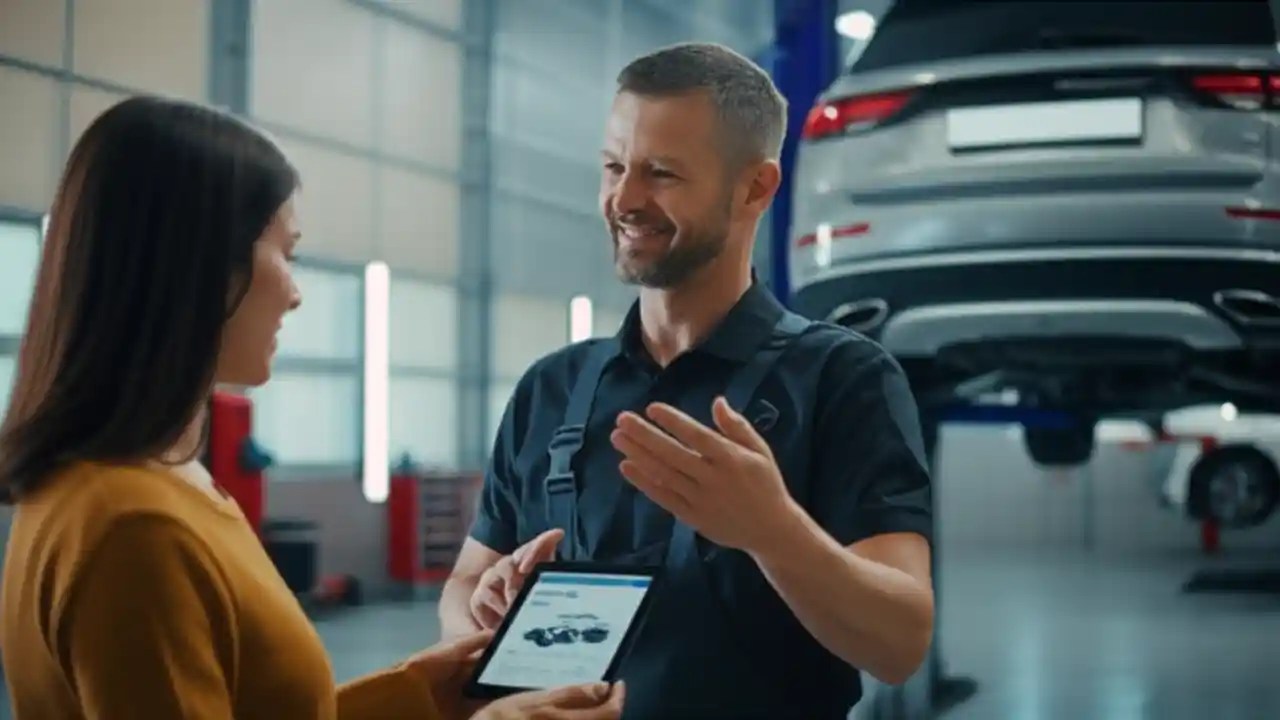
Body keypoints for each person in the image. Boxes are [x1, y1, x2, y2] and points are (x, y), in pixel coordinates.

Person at [0, 96, 625, 720]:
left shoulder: (134, 485)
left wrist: (416, 697)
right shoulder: (135, 528)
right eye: (287, 253)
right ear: (201, 264)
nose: (296, 295)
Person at [440, 42, 936, 719]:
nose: (624, 199)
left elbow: (901, 642)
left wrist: (773, 531)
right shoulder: (551, 389)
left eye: (662, 174)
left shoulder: (842, 381)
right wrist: (484, 613)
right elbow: (468, 579)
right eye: (614, 167)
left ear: (756, 187)